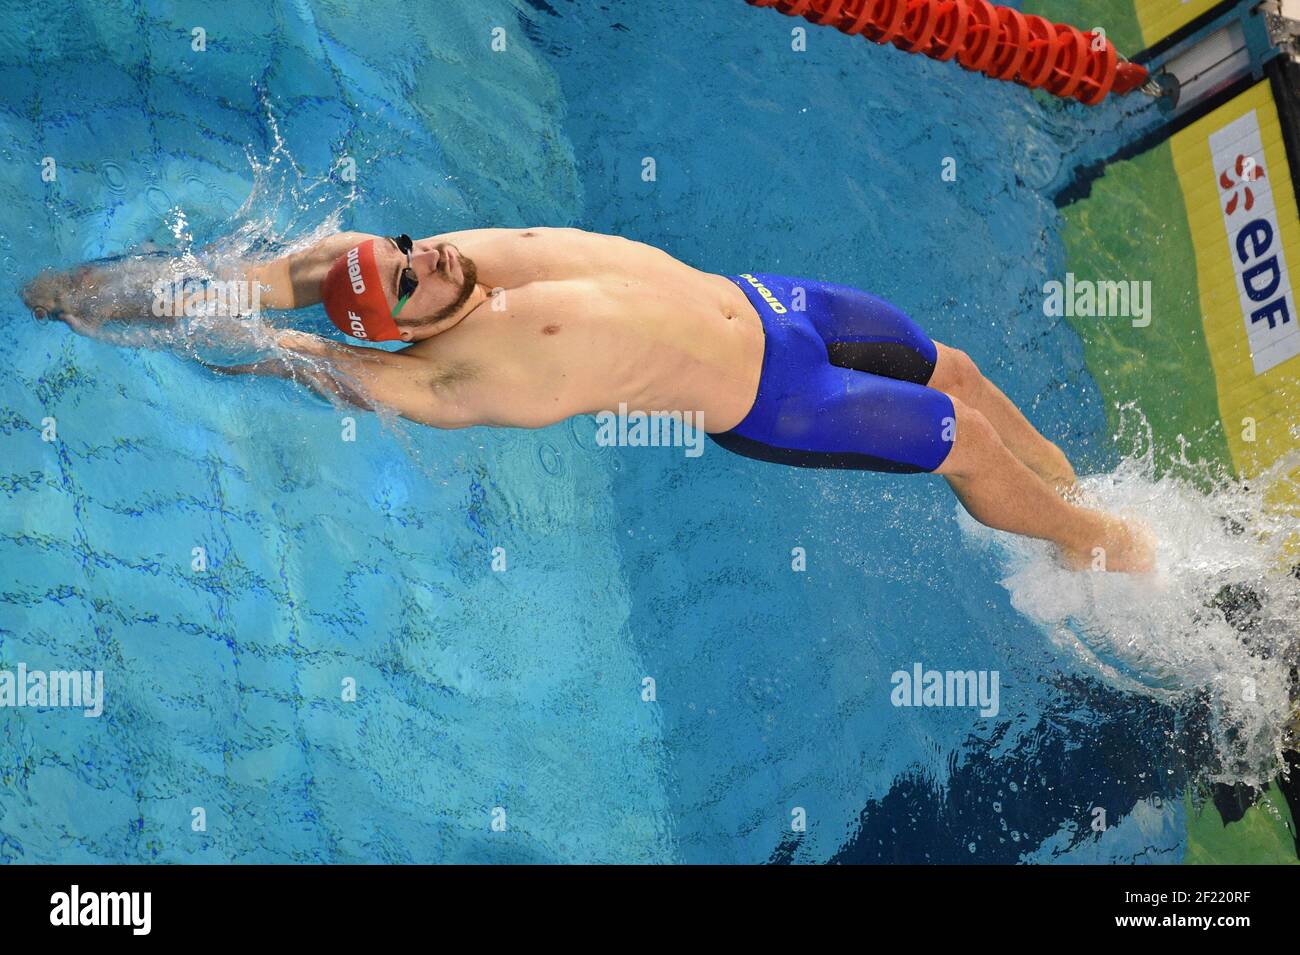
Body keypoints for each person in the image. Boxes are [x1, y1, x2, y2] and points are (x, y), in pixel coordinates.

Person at [22, 226, 1155, 572]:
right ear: (396, 329)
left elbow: (264, 282)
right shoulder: (435, 375)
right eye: (414, 283)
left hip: (773, 301)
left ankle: (1077, 492)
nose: (436, 264)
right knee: (957, 442)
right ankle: (1110, 553)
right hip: (777, 395)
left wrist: (98, 291)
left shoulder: (380, 267)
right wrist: (157, 342)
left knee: (950, 368)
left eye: (413, 249)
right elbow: (276, 344)